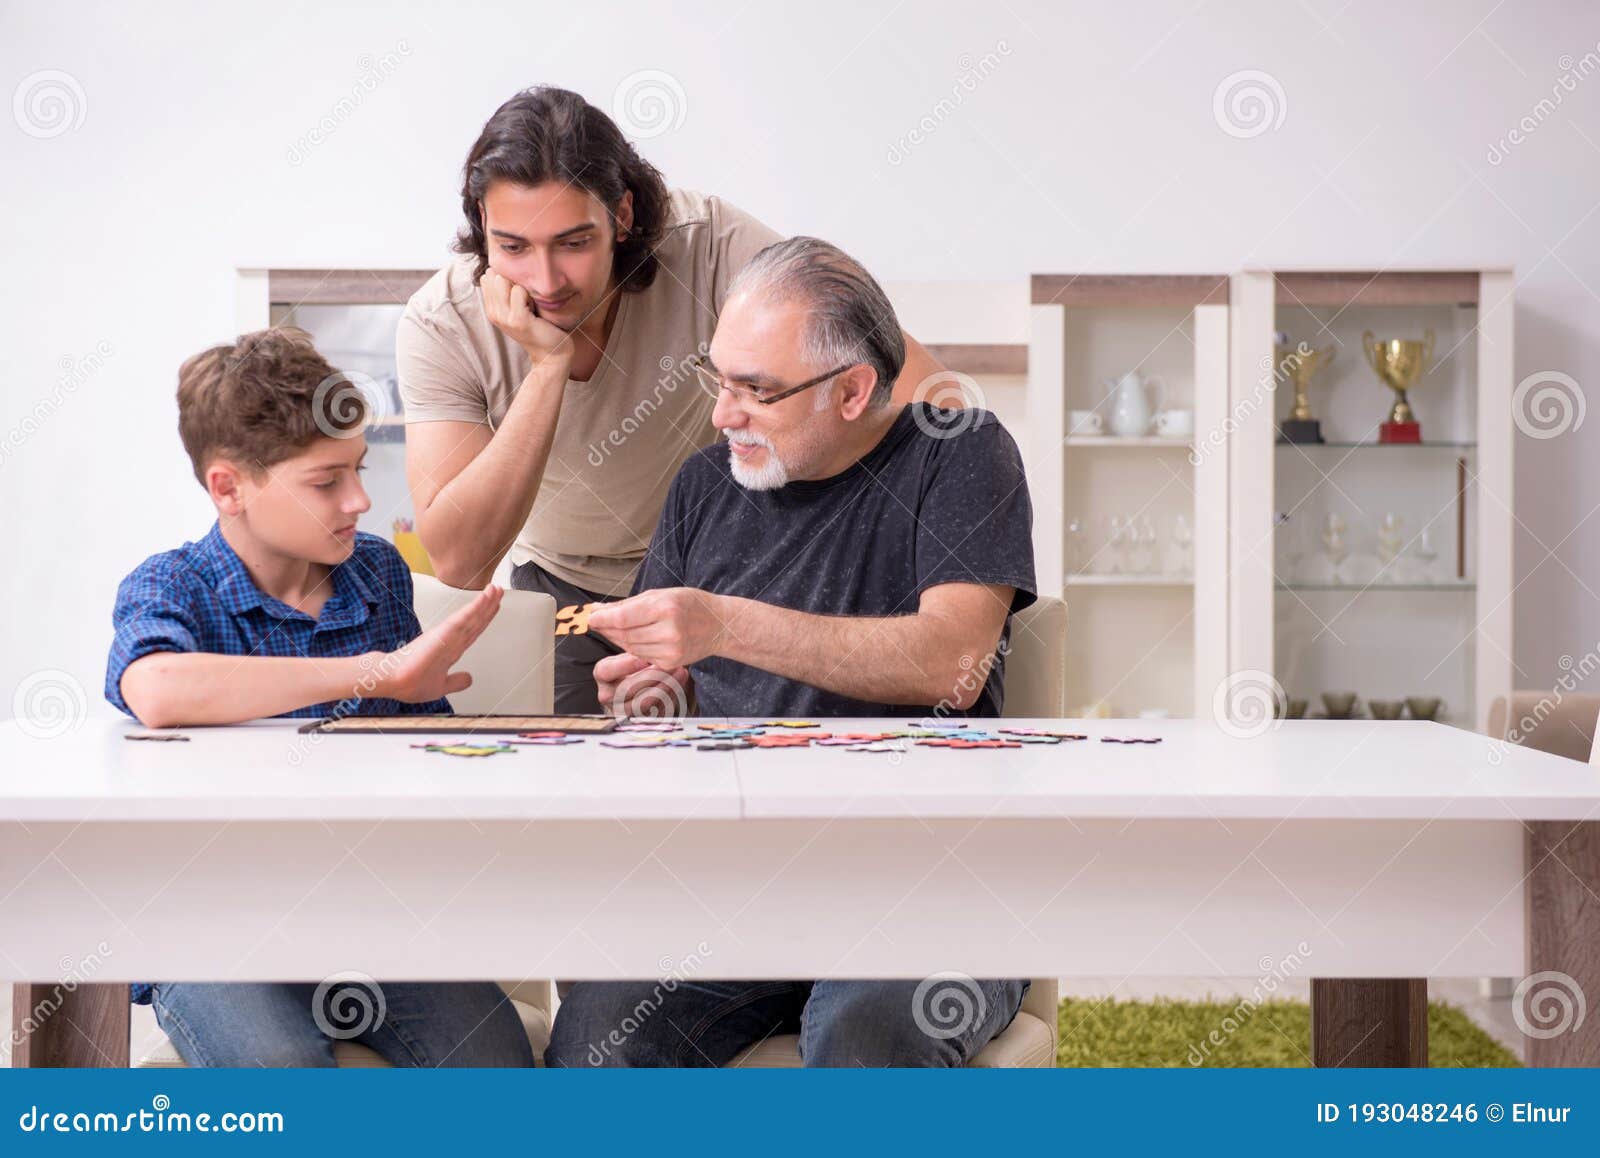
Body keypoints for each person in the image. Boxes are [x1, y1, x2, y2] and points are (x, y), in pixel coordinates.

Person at [545, 238, 1036, 1066]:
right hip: (743, 885)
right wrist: (653, 694)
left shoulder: (961, 451)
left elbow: (953, 666)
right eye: (719, 378)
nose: (722, 413)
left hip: (931, 881)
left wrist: (725, 626)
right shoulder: (705, 485)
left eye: (757, 391)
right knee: (601, 1024)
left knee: (866, 1031)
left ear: (853, 390)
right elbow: (678, 691)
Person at [397, 86, 949, 712]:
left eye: (574, 243)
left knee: (760, 776)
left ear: (623, 215)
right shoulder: (443, 324)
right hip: (570, 591)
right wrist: (548, 365)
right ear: (481, 225)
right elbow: (460, 561)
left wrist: (865, 555)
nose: (545, 282)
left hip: (737, 575)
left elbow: (931, 397)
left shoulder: (709, 245)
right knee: (587, 784)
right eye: (515, 247)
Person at [105, 326, 531, 1067]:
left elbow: (420, 745)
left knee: (493, 1060)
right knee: (286, 1073)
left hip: (360, 912)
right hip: (210, 929)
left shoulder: (374, 573)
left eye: (359, 470)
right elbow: (158, 687)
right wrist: (379, 672)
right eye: (326, 481)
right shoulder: (170, 585)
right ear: (228, 487)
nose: (361, 500)